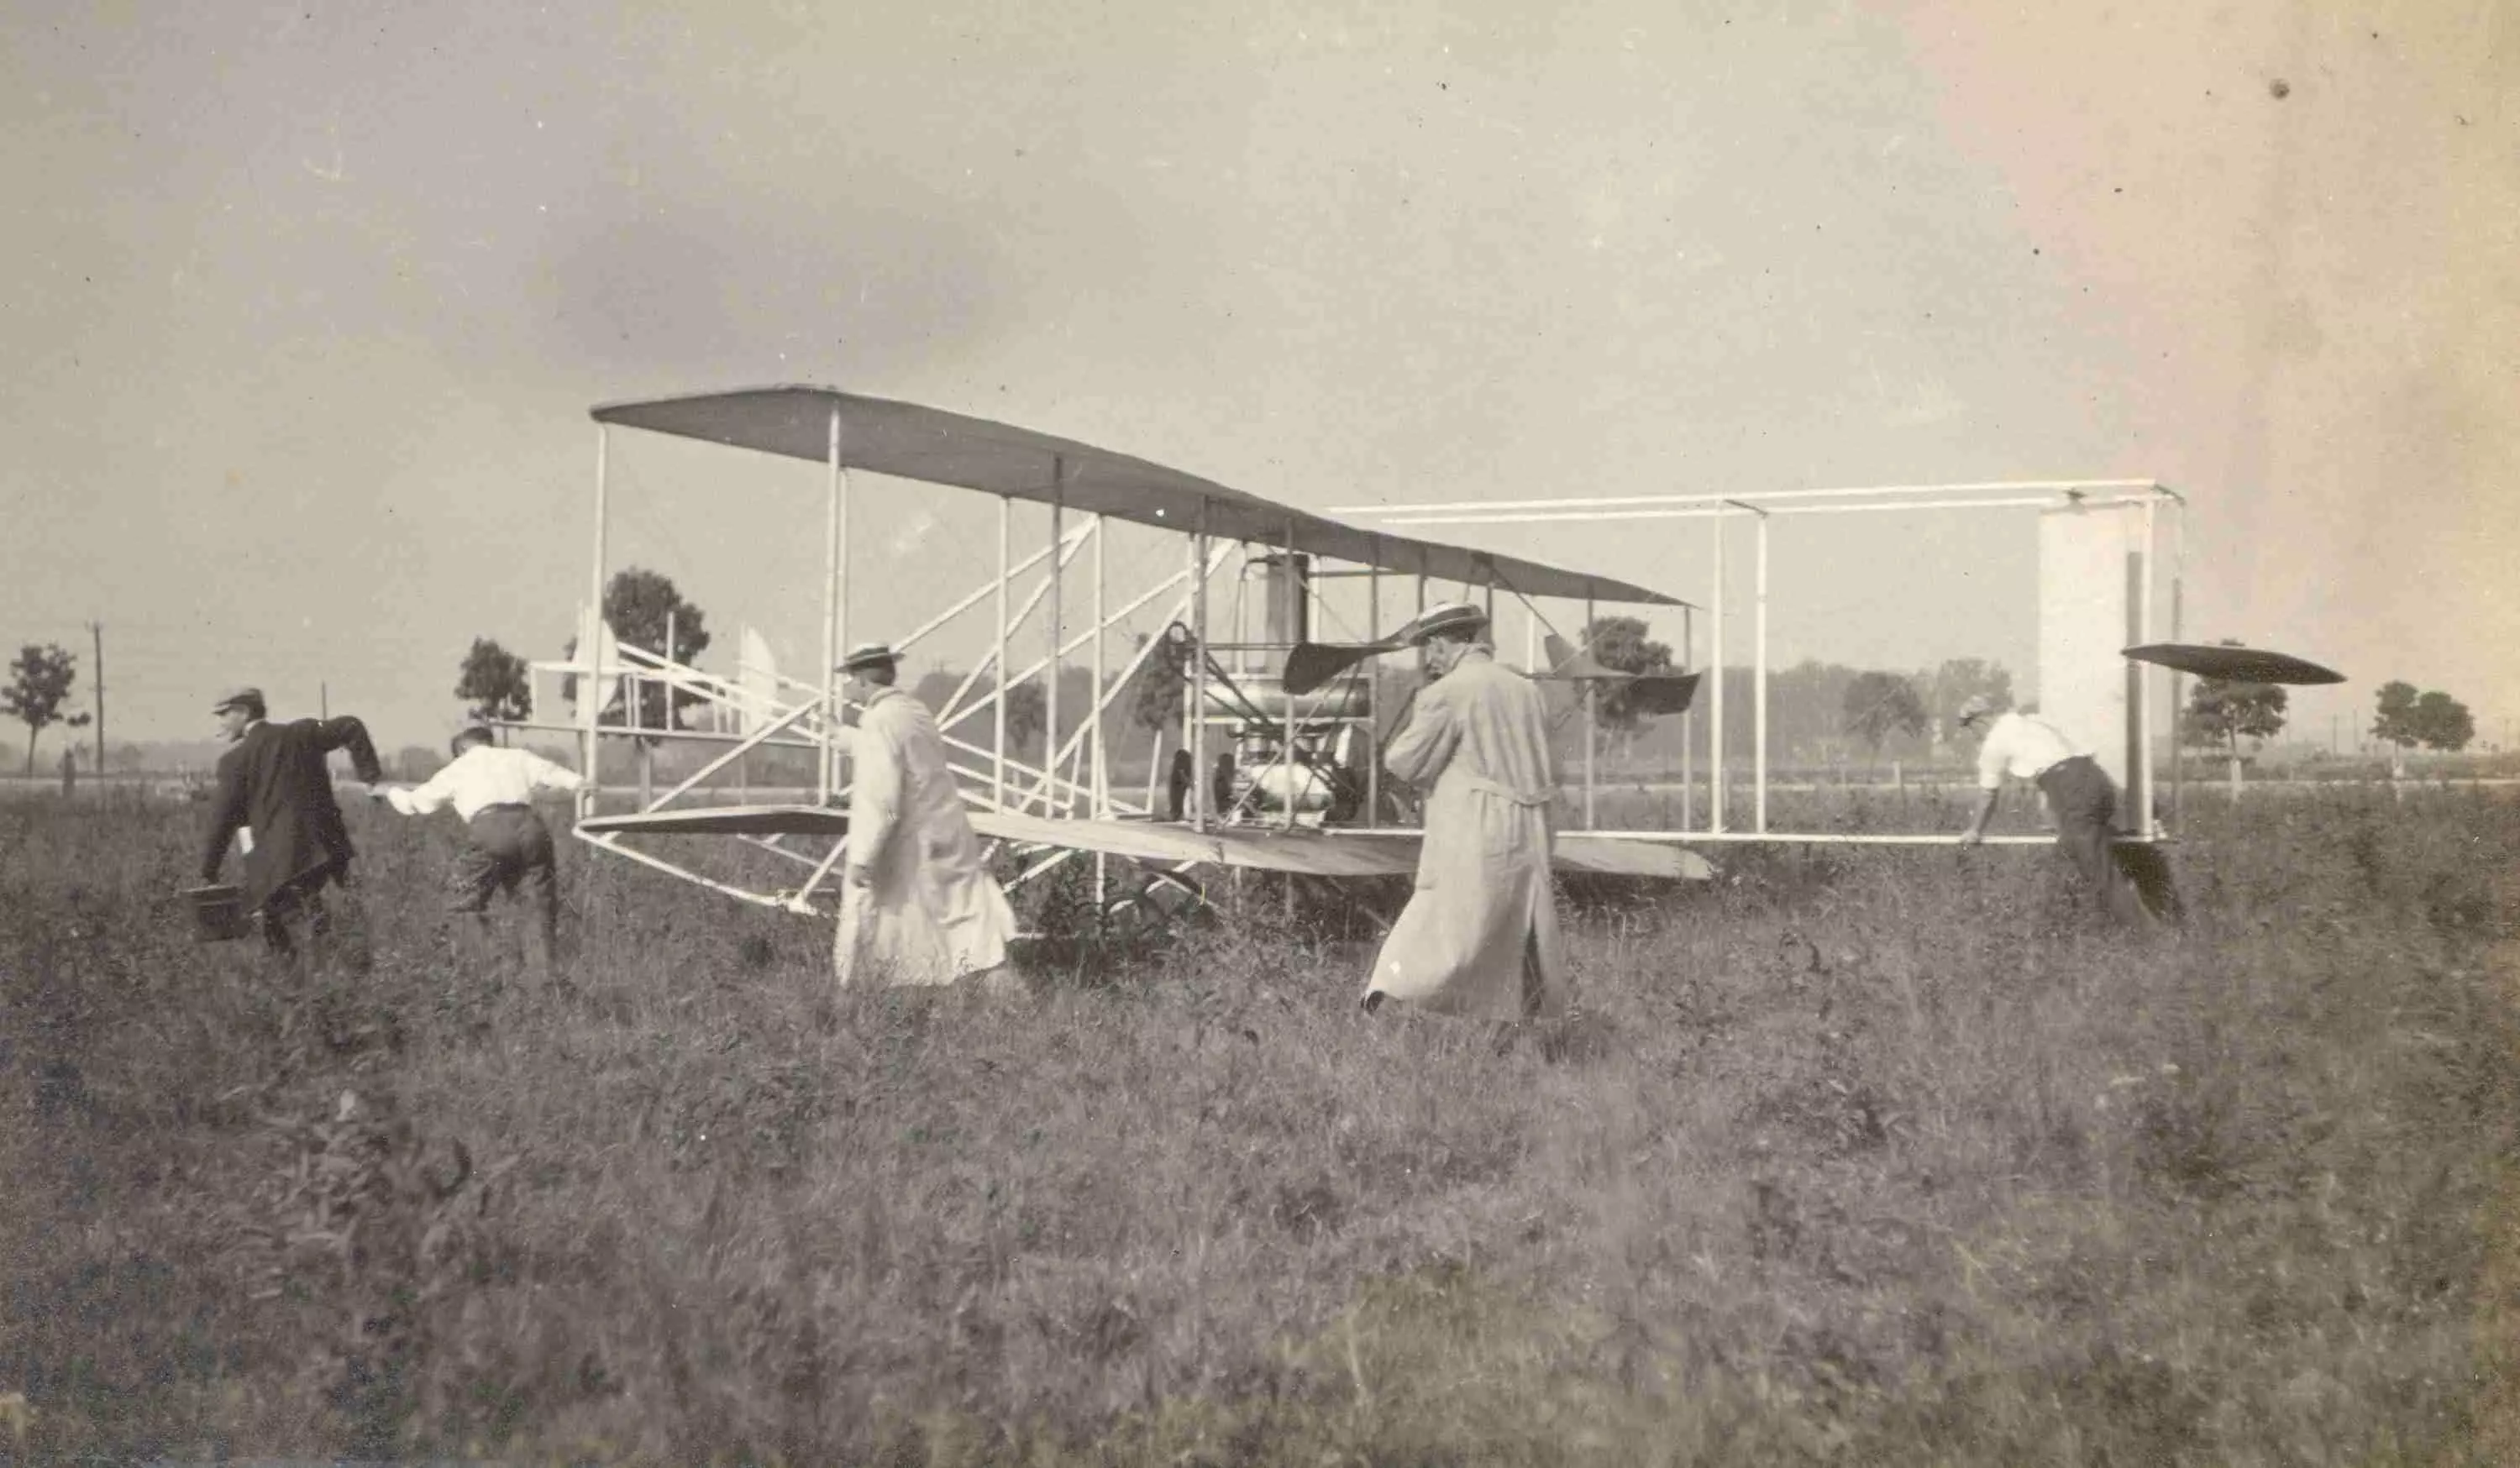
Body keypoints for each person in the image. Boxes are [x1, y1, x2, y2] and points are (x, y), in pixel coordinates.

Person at [1362, 602, 1567, 1021]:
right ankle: (1519, 1019)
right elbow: (1555, 766)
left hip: (1476, 825)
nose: (1429, 659)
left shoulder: (1447, 692)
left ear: (1443, 643)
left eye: (1429, 648)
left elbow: (1405, 762)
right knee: (1518, 924)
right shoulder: (1527, 690)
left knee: (1448, 919)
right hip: (1533, 826)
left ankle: (1395, 999)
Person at [832, 642, 1018, 989]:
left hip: (912, 843)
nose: (845, 688)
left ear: (860, 681)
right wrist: (852, 741)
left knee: (877, 927)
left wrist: (864, 857)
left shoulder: (877, 721)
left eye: (847, 680)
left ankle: (858, 1010)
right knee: (974, 931)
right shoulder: (914, 712)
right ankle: (1014, 1012)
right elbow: (905, 756)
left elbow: (883, 797)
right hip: (949, 834)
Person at [377, 726, 584, 975]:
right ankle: (544, 980)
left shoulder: (460, 767)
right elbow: (556, 774)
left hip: (490, 828)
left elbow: (417, 803)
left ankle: (494, 968)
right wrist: (580, 783)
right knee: (537, 905)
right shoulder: (517, 756)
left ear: (463, 749)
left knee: (461, 904)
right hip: (531, 827)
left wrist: (390, 791)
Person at [199, 687, 386, 962]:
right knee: (301, 916)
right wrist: (370, 778)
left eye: (224, 715)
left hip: (284, 861)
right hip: (326, 849)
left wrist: (208, 871)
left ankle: (324, 980)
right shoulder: (301, 733)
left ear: (243, 711)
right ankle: (336, 966)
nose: (221, 723)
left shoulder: (234, 762)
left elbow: (221, 821)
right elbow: (351, 726)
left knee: (286, 929)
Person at [1954, 694, 2153, 924]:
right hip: (2098, 780)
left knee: (2100, 873)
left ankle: (2148, 938)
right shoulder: (2032, 722)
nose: (1973, 735)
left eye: (1970, 729)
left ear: (1978, 721)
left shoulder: (1994, 742)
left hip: (2073, 790)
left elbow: (1988, 794)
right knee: (2071, 858)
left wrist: (1975, 830)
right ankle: (2054, 924)